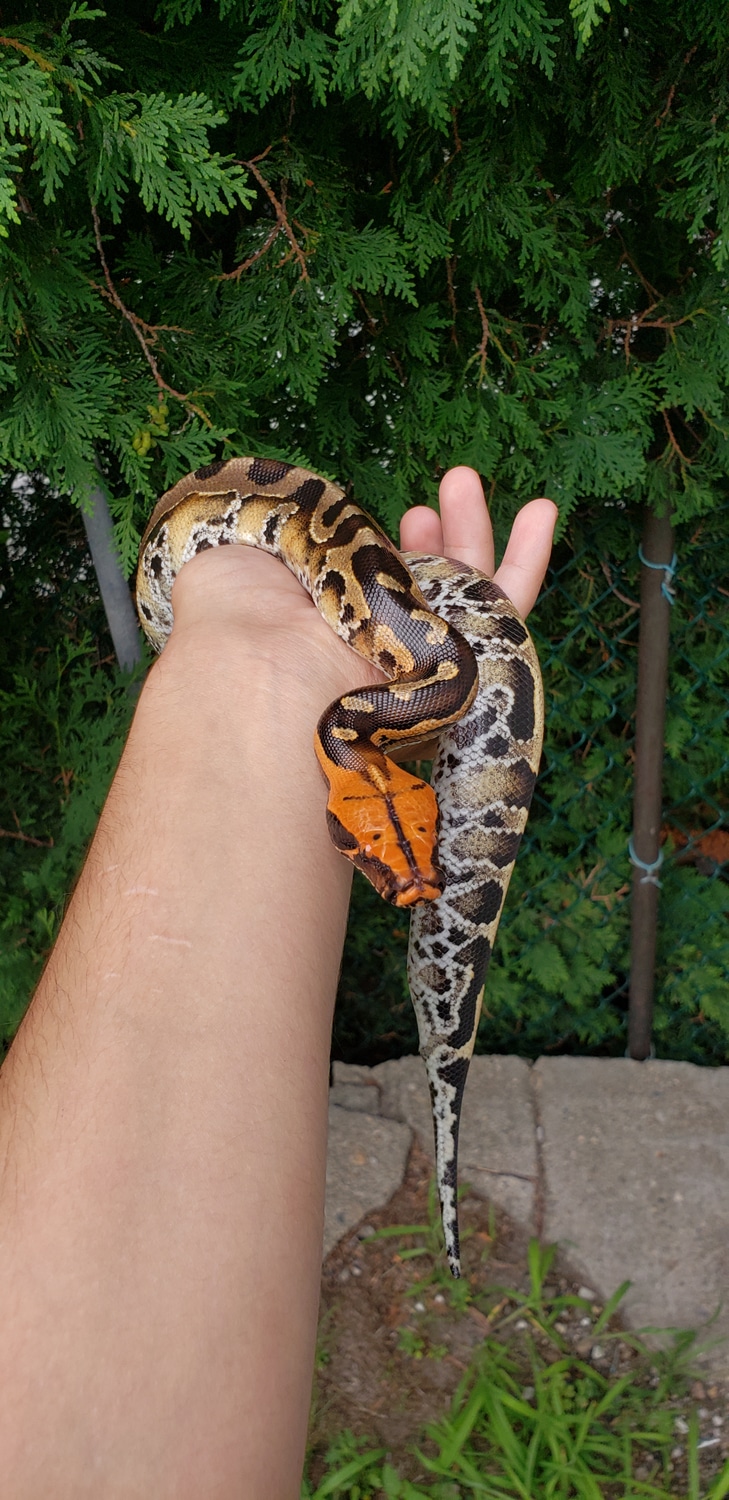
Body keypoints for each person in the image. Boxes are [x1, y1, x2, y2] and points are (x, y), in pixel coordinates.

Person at [0, 467, 556, 1498]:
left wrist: (267, 660)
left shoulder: (387, 704)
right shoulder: (392, 697)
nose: (401, 886)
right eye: (387, 868)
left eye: (399, 867)